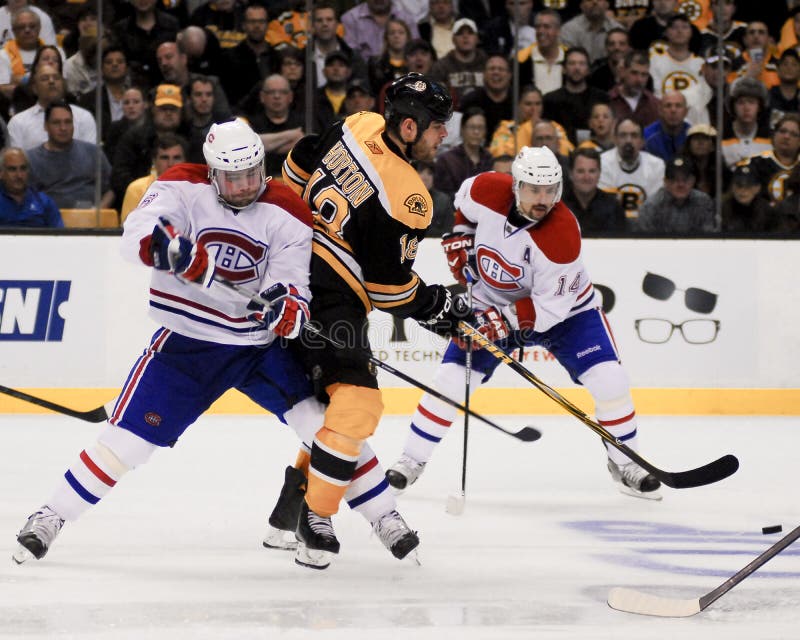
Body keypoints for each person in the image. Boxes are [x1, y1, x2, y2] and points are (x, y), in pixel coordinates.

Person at [12, 119, 419, 569]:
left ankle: (385, 515)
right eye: (233, 177)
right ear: (212, 172)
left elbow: (292, 284)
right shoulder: (181, 186)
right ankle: (50, 516)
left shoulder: (286, 209)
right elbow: (135, 237)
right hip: (189, 348)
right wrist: (167, 248)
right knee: (128, 443)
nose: (245, 185)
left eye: (252, 173)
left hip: (258, 349)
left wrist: (286, 308)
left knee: (323, 426)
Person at [386, 145, 662, 500]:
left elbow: (549, 309)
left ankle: (627, 463)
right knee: (450, 380)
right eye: (533, 189)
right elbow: (463, 204)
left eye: (550, 190)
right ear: (516, 185)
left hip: (568, 315)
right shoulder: (487, 188)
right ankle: (411, 460)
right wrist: (460, 236)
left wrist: (499, 322)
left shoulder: (562, 234)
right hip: (490, 300)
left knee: (610, 380)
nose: (542, 199)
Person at [281, 73, 469, 567]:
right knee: (357, 406)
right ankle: (315, 518)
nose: (443, 135)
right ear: (409, 127)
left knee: (328, 410)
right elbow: (388, 289)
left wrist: (285, 230)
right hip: (331, 301)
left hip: (287, 272)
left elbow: (300, 157)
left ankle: (287, 512)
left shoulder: (358, 123)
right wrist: (437, 306)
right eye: (437, 126)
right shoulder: (409, 197)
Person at [26, 100, 114, 210]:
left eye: (68, 122)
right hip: (49, 218)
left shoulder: (93, 153)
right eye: (56, 123)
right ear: (46, 126)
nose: (63, 128)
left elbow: (112, 188)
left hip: (91, 216)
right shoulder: (32, 159)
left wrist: (99, 210)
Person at [599, 118, 666, 228]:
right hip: (610, 228)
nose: (628, 140)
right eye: (623, 135)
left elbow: (655, 208)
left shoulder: (657, 165)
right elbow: (605, 206)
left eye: (634, 135)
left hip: (646, 229)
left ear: (642, 141)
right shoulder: (602, 162)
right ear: (614, 139)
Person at [636, 156, 717, 233]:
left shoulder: (703, 202)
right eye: (674, 179)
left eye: (685, 179)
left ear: (693, 181)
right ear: (665, 182)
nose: (681, 184)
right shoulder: (651, 206)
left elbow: (709, 236)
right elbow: (645, 240)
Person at [120, 132, 187, 222]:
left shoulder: (195, 189)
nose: (170, 164)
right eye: (164, 158)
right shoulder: (136, 189)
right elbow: (128, 227)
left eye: (176, 158)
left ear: (185, 161)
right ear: (154, 161)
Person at [434, 107, 493, 200]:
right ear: (462, 129)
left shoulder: (489, 159)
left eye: (480, 128)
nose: (476, 132)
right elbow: (443, 195)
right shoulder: (447, 160)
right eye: (472, 127)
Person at [562, 147, 625, 232]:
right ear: (570, 174)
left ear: (599, 173)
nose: (586, 177)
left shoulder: (613, 208)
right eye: (581, 171)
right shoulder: (556, 208)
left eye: (592, 171)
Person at [0, 146, 62, 228]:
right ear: (1, 173)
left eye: (23, 168)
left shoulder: (44, 202)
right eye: (12, 169)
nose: (19, 175)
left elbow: (59, 233)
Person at [429, 18, 486, 102]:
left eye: (470, 33)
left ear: (477, 38)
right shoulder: (440, 67)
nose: (465, 37)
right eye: (460, 33)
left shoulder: (488, 64)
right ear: (453, 39)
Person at [643, 90, 691, 162]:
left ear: (686, 111)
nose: (673, 110)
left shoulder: (692, 136)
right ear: (660, 110)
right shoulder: (646, 137)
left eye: (678, 106)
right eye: (668, 106)